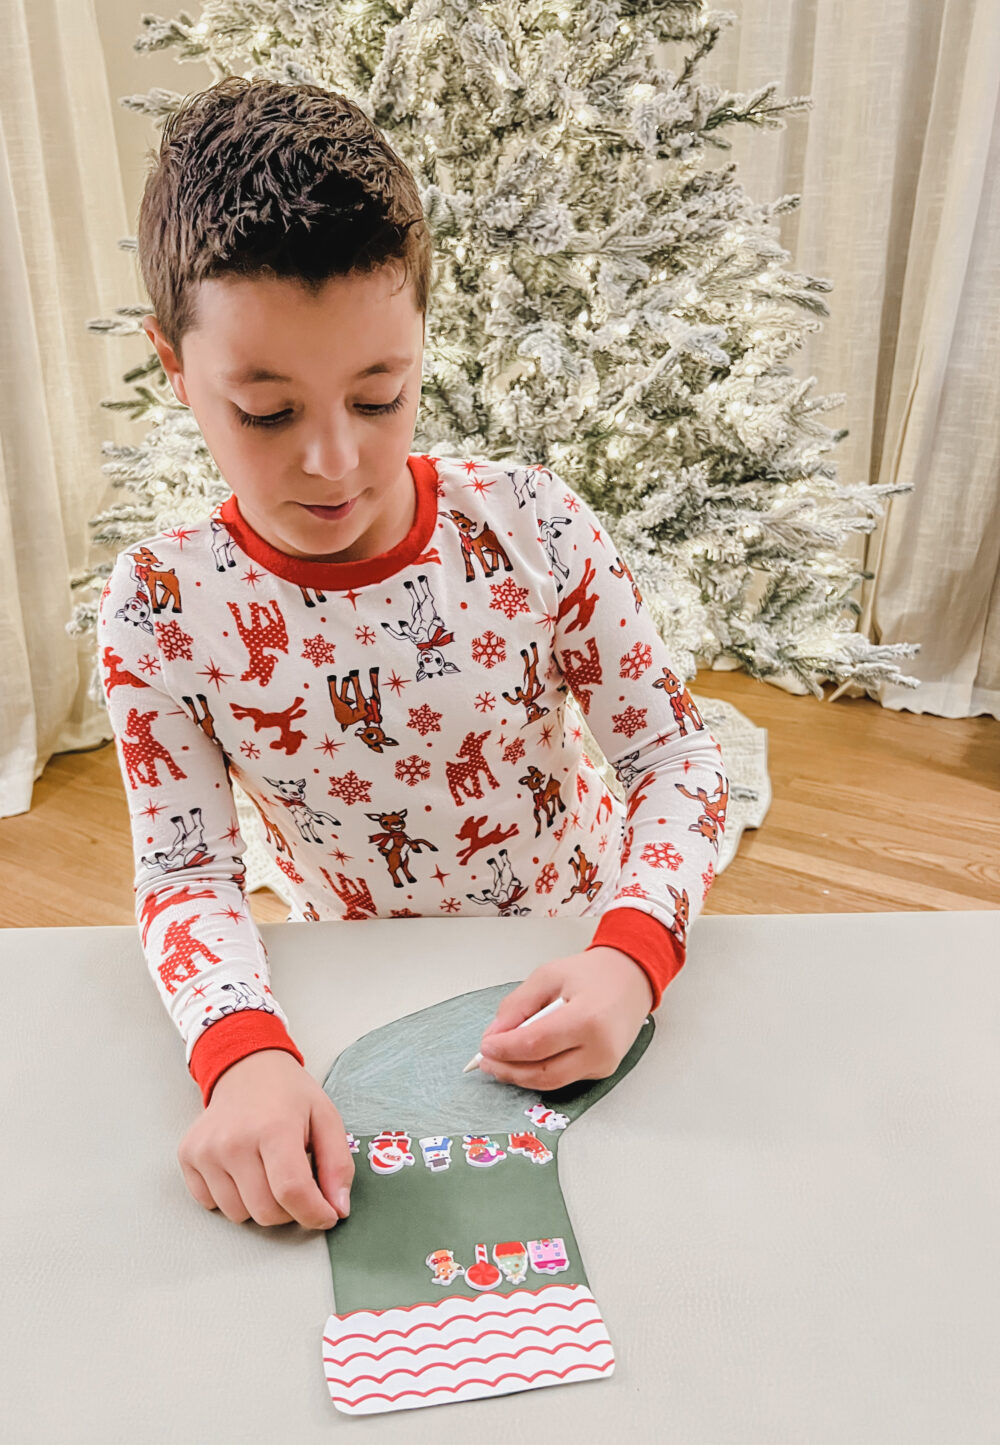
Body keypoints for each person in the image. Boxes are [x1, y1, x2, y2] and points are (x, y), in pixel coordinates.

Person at [98, 76, 728, 1236]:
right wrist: (241, 1057)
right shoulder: (159, 609)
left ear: (423, 343)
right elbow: (188, 875)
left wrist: (631, 955)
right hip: (355, 999)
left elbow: (679, 763)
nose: (336, 462)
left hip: (580, 952)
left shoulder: (530, 525)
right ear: (173, 367)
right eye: (269, 412)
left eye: (381, 395)